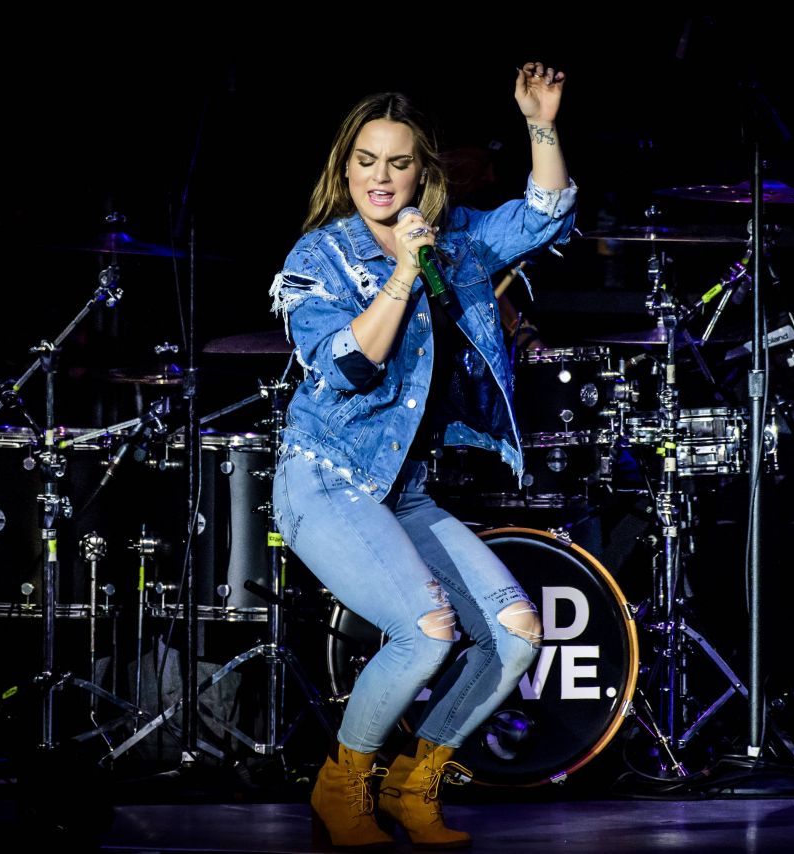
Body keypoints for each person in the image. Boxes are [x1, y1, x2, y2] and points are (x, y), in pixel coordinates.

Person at [268, 62, 574, 848]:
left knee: (515, 634)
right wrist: (404, 269)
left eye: (398, 161)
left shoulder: (459, 241)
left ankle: (413, 783)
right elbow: (347, 364)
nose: (381, 176)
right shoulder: (320, 256)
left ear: (422, 170)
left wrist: (540, 124)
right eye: (366, 161)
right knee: (429, 628)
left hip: (402, 491)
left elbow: (543, 212)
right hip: (326, 479)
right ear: (345, 169)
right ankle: (342, 788)